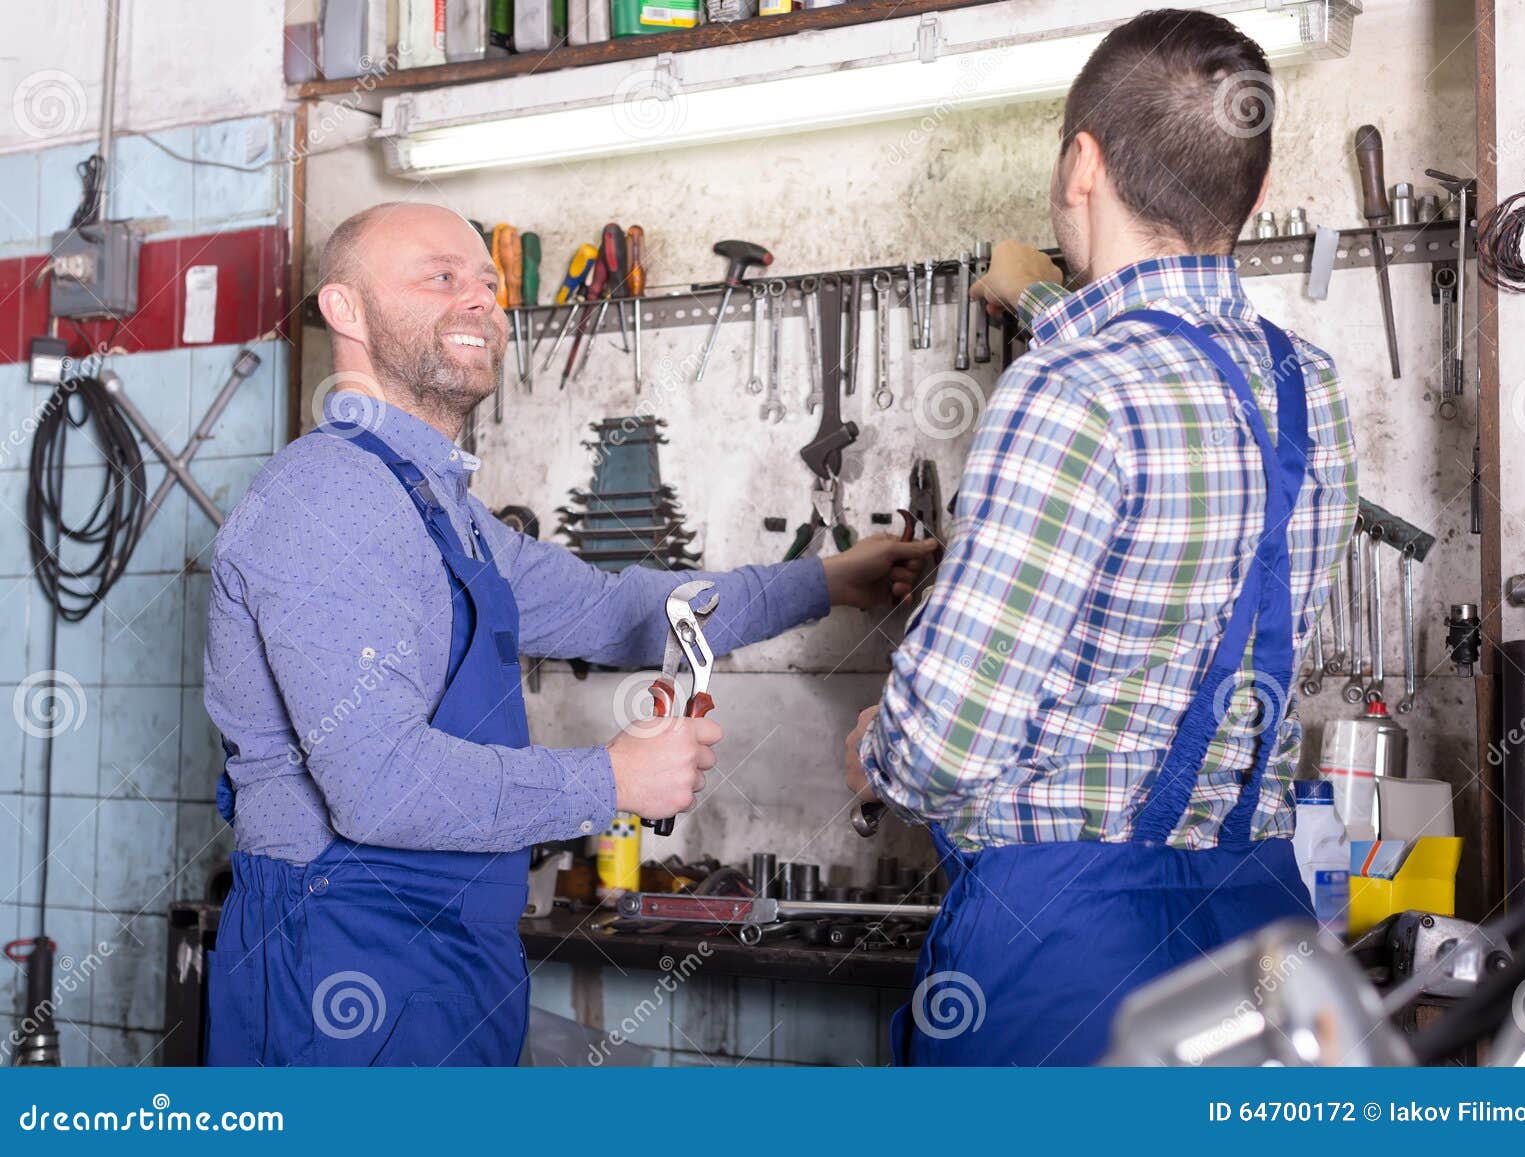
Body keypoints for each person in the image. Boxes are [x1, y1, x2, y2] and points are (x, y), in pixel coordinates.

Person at [204, 201, 935, 1066]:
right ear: (345, 310)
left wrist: (828, 580)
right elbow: (378, 785)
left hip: (446, 953)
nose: (480, 300)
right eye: (440, 277)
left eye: (488, 282)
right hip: (337, 959)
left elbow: (622, 609)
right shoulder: (331, 496)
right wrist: (612, 776)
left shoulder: (443, 510)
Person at [845, 8, 1358, 1066]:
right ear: (1253, 194)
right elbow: (1161, 355)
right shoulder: (1308, 388)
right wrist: (1039, 292)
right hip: (1263, 939)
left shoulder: (1069, 391)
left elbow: (942, 746)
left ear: (1081, 162)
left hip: (1068, 959)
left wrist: (879, 752)